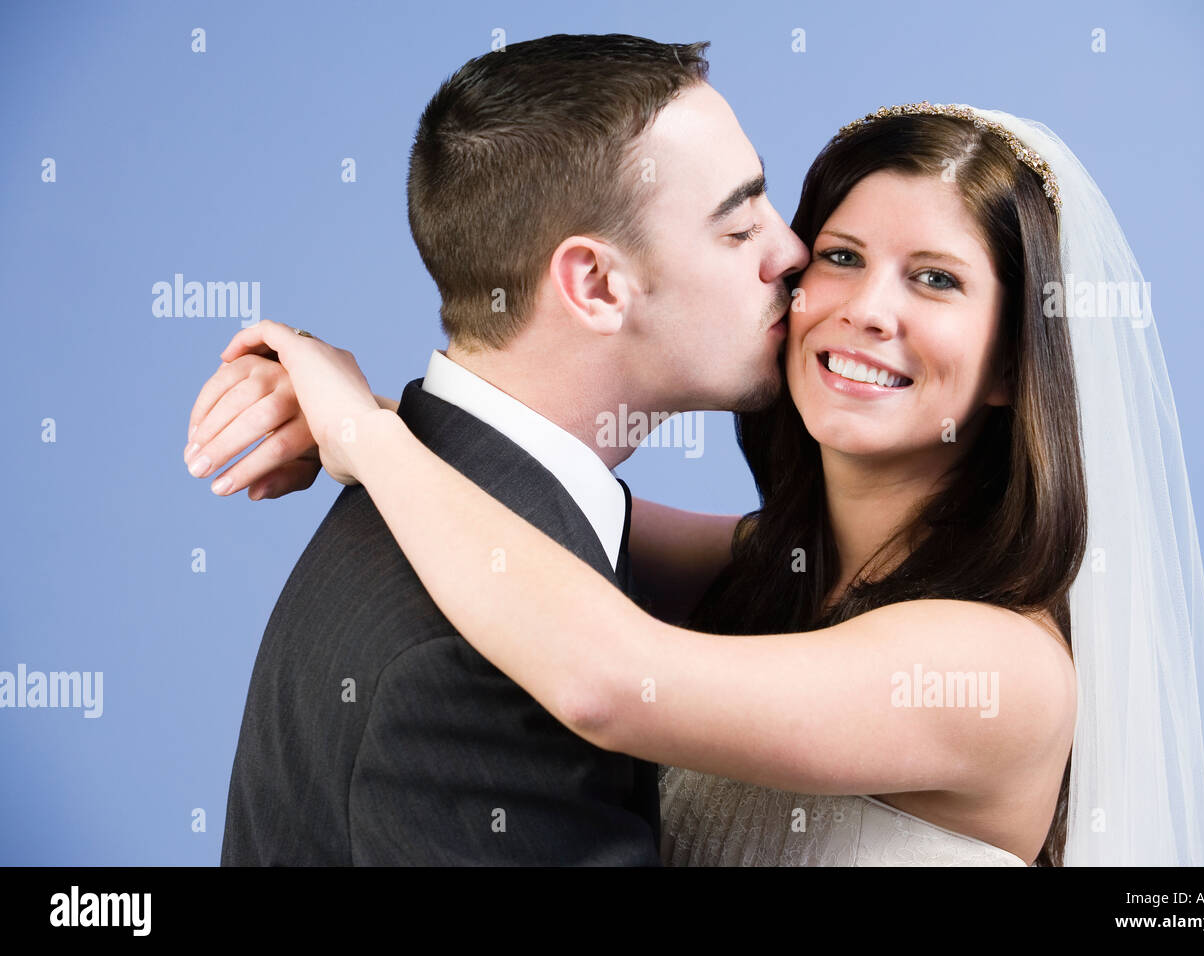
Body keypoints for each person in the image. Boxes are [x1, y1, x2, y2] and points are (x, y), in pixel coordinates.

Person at [191, 102, 1204, 866]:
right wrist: (326, 407)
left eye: (935, 278)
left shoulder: (999, 670)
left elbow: (604, 674)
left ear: (1012, 365)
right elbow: (531, 496)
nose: (867, 308)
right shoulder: (768, 565)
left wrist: (364, 433)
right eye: (838, 254)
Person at [198, 33, 808, 865]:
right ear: (594, 284)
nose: (792, 253)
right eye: (739, 228)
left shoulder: (471, 503)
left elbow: (798, 563)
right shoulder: (471, 668)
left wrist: (366, 424)